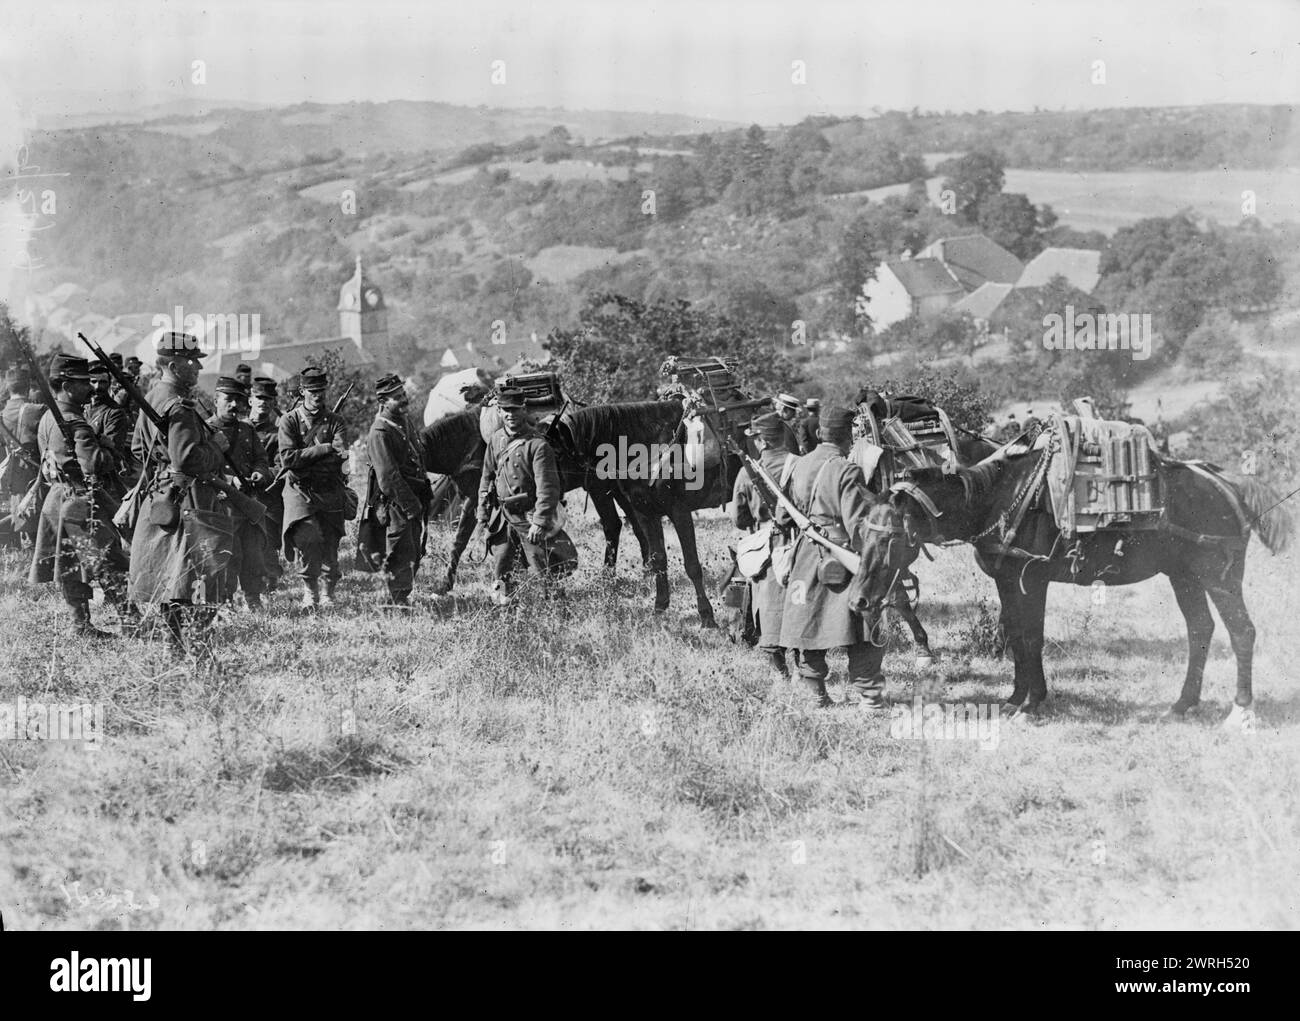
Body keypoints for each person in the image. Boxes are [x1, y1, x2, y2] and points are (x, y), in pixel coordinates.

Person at [129, 331, 237, 650]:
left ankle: (176, 642)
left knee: (171, 572)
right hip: (190, 497)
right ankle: (194, 644)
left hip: (163, 493)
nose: (198, 368)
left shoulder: (152, 397)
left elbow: (138, 448)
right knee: (202, 569)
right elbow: (189, 458)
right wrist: (216, 448)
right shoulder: (179, 406)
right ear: (175, 365)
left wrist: (164, 465)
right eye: (192, 362)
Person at [777, 405, 888, 711]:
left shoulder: (797, 465)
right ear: (846, 436)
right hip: (841, 557)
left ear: (820, 432)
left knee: (808, 624)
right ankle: (868, 695)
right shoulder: (847, 469)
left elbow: (783, 516)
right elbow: (856, 524)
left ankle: (815, 693)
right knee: (864, 625)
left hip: (805, 554)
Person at [27, 355, 132, 638]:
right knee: (107, 559)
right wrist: (108, 447)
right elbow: (96, 463)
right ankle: (130, 622)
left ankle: (80, 624)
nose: (90, 388)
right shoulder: (76, 423)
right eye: (83, 382)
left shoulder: (48, 418)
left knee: (70, 564)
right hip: (79, 503)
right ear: (65, 384)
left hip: (56, 498)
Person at [476, 386, 577, 604]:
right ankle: (503, 609)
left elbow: (548, 489)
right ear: (500, 412)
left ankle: (555, 612)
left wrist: (540, 523)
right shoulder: (495, 440)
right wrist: (482, 513)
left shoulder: (538, 445)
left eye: (515, 409)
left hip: (528, 517)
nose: (511, 415)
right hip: (502, 518)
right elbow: (486, 476)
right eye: (506, 410)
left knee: (540, 568)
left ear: (524, 410)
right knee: (501, 565)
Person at [729, 412, 799, 682]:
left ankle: (780, 670)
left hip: (768, 547)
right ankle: (805, 666)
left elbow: (739, 518)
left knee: (768, 607)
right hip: (802, 542)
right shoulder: (801, 465)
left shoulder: (747, 473)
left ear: (762, 442)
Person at [278, 366, 349, 608]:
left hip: (329, 488)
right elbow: (288, 459)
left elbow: (341, 454)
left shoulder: (336, 422)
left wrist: (307, 460)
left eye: (321, 390)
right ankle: (310, 589)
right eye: (312, 391)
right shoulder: (289, 421)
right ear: (302, 391)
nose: (318, 395)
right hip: (300, 490)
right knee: (308, 537)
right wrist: (324, 449)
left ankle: (328, 592)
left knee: (330, 541)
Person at [359, 373, 432, 607]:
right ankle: (397, 600)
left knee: (413, 547)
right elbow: (388, 477)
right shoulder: (379, 432)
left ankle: (403, 596)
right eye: (396, 397)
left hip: (414, 495)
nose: (403, 399)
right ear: (383, 401)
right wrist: (410, 505)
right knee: (401, 548)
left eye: (402, 394)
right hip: (398, 502)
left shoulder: (404, 421)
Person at [208, 376, 271, 610]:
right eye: (228, 399)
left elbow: (261, 459)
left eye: (238, 400)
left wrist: (259, 473)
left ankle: (253, 598)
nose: (234, 405)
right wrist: (228, 480)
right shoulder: (206, 430)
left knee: (253, 553)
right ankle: (225, 603)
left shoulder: (247, 429)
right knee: (228, 556)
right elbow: (201, 467)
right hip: (221, 505)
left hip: (248, 503)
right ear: (216, 400)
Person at [1, 367, 43, 547]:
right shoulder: (38, 410)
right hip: (37, 476)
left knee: (23, 523)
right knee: (40, 528)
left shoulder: (2, 414)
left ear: (8, 388)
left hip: (13, 476)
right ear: (28, 387)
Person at [249, 377, 283, 591]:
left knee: (268, 544)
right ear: (250, 400)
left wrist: (264, 475)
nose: (263, 402)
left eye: (267, 399)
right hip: (237, 495)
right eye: (259, 397)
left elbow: (281, 467)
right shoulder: (239, 429)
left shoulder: (278, 435)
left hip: (266, 498)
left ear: (272, 403)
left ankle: (269, 583)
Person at [84, 360, 135, 498]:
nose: (97, 387)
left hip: (106, 482)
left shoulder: (115, 412)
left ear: (109, 384)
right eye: (93, 381)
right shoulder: (83, 408)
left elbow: (110, 449)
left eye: (102, 382)